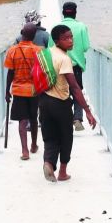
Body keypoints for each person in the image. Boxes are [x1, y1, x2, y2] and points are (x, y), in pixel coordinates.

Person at [39, 24, 97, 183]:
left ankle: (48, 163)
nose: (71, 41)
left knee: (50, 136)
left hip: (43, 101)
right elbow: (75, 88)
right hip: (60, 103)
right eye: (66, 38)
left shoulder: (46, 53)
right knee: (65, 137)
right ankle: (62, 172)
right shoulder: (64, 59)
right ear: (57, 40)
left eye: (71, 37)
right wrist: (87, 111)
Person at [4, 23, 41, 160]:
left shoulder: (13, 50)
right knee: (33, 117)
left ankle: (24, 151)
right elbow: (41, 72)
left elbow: (10, 73)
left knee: (22, 121)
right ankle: (34, 145)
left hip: (18, 90)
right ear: (34, 35)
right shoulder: (38, 51)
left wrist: (7, 91)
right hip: (34, 90)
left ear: (21, 33)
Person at [58, 1, 91, 130]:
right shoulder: (82, 26)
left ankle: (64, 118)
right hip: (75, 66)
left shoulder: (57, 26)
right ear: (75, 13)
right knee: (77, 91)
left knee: (62, 92)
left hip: (60, 66)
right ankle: (77, 118)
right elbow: (86, 47)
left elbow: (51, 47)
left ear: (63, 12)